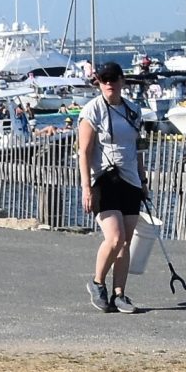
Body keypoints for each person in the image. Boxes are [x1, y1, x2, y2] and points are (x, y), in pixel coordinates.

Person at [76, 60, 147, 313]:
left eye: (112, 79)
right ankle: (97, 283)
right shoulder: (91, 110)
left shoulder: (133, 110)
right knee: (114, 238)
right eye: (103, 80)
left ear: (121, 81)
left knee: (126, 242)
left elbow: (138, 147)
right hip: (104, 180)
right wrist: (86, 187)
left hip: (130, 180)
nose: (108, 84)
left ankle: (119, 294)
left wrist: (143, 179)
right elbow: (84, 152)